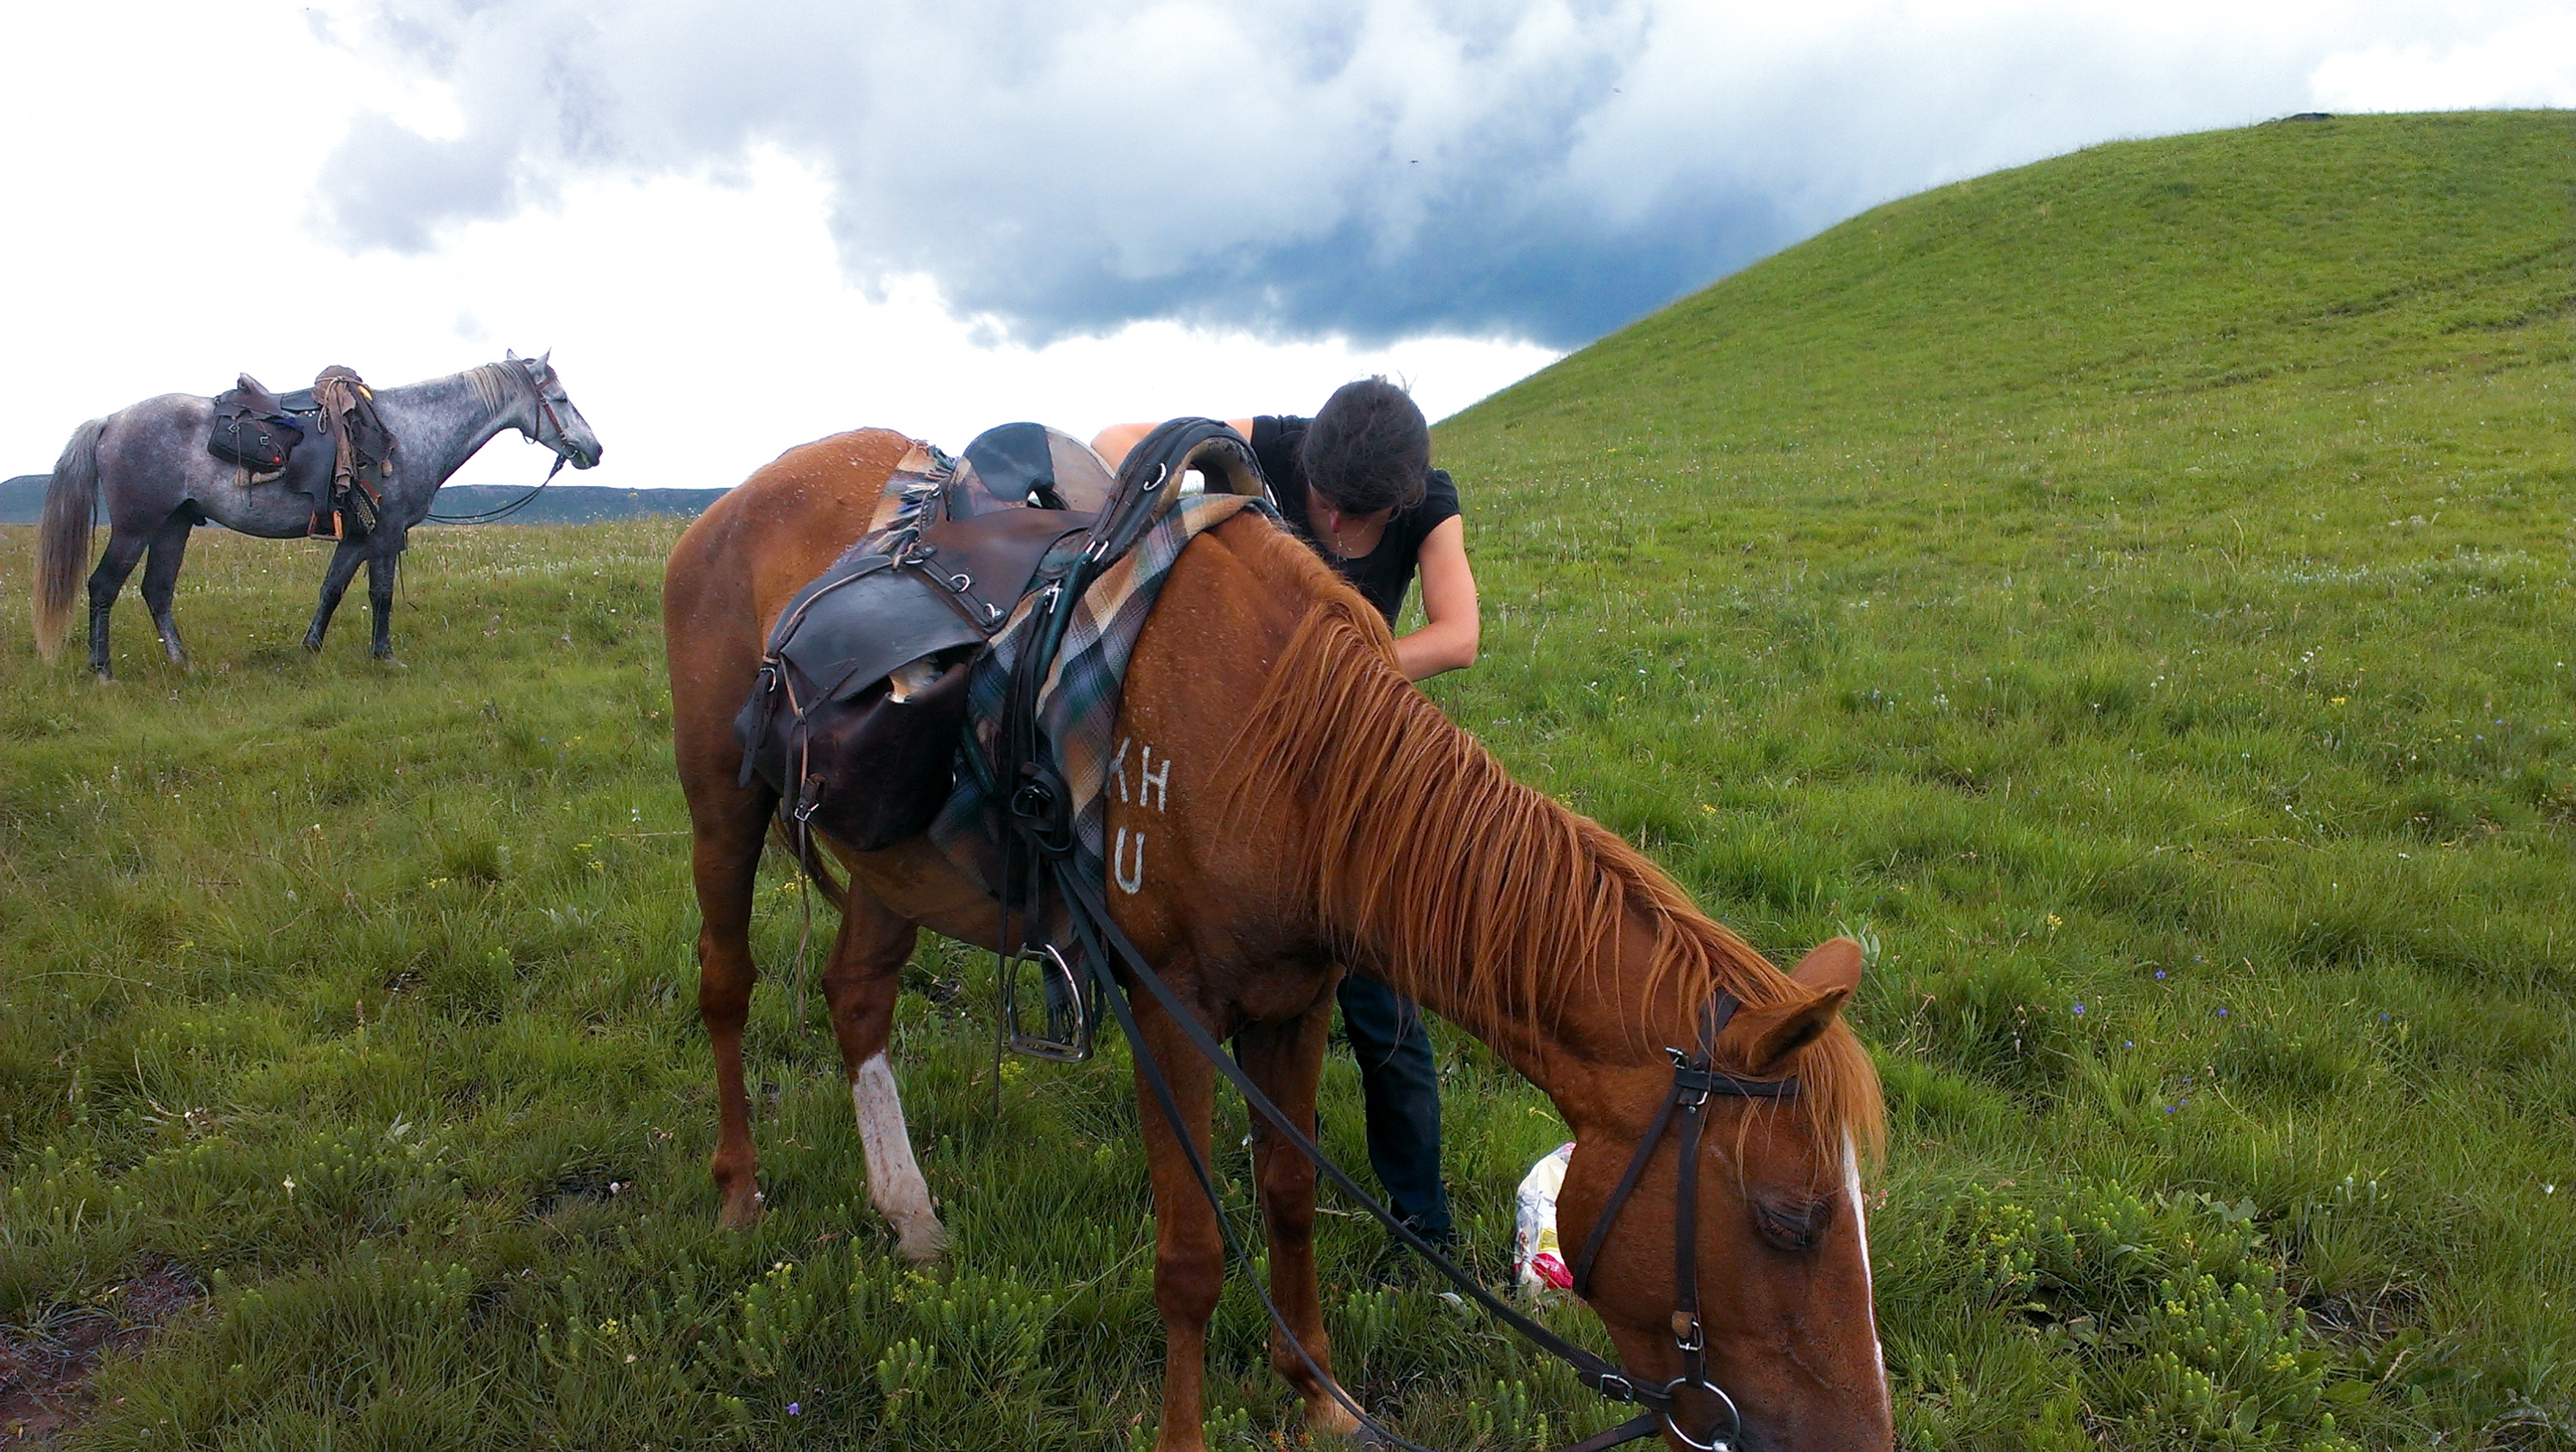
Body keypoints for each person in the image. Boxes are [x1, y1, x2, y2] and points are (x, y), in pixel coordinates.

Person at [1092, 378, 1480, 1250]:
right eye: (1322, 505)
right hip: (1236, 756)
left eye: (1358, 514)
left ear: (1403, 499)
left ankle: (1424, 1224)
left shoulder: (1430, 505)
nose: (1335, 529)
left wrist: (1339, 681)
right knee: (1203, 940)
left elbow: (1459, 633)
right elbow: (1118, 436)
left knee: (1384, 998)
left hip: (1347, 751)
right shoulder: (1274, 442)